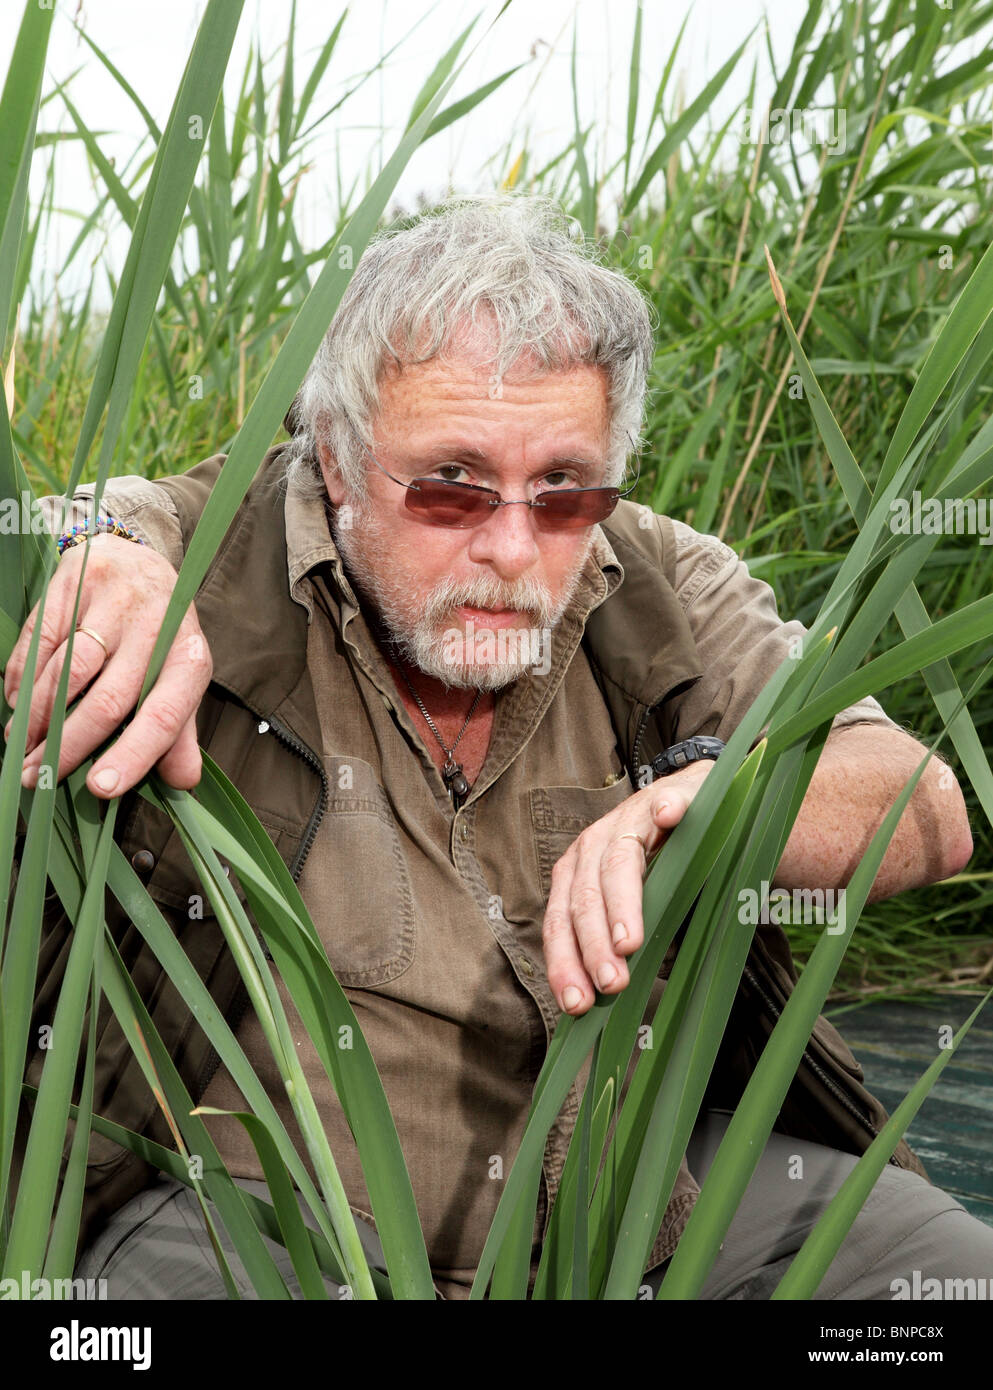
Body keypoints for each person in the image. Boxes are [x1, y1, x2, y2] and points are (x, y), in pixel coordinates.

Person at [5, 193, 988, 1300]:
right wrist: (102, 560)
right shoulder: (205, 553)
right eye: (450, 486)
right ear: (334, 459)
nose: (515, 547)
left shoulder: (665, 584)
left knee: (943, 1281)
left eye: (565, 489)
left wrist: (720, 804)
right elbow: (75, 526)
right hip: (264, 1215)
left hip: (629, 1203)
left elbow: (925, 803)